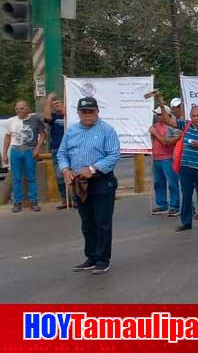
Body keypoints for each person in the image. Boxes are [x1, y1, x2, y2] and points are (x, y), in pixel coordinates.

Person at [58, 97, 120, 275]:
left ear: (97, 111)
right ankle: (91, 256)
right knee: (87, 223)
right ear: (78, 112)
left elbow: (114, 155)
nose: (87, 115)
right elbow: (62, 154)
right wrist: (65, 169)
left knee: (102, 222)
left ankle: (102, 259)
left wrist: (93, 168)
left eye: (91, 111)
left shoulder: (107, 131)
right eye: (84, 111)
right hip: (79, 183)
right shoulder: (71, 131)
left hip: (101, 180)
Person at [162, 102, 198, 233]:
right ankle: (186, 222)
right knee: (186, 196)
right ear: (190, 116)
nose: (196, 118)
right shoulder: (186, 125)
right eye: (193, 116)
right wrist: (161, 104)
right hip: (185, 167)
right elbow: (167, 121)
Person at [3, 100, 46, 212]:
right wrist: (4, 154)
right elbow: (7, 137)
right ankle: (17, 202)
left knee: (31, 177)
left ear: (27, 109)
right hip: (15, 151)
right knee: (16, 178)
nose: (19, 111)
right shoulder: (11, 121)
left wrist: (37, 148)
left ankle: (34, 202)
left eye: (22, 108)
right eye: (17, 109)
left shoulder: (35, 119)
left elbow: (42, 134)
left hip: (29, 150)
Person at [149, 105, 180, 217]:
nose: (157, 116)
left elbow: (166, 142)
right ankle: (162, 204)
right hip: (156, 158)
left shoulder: (172, 127)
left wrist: (155, 133)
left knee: (172, 183)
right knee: (158, 183)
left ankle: (175, 206)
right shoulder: (155, 126)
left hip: (168, 158)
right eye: (156, 114)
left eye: (159, 114)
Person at [43, 92, 68, 210]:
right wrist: (49, 100)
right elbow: (47, 116)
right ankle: (64, 199)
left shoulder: (70, 115)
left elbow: (67, 112)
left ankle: (76, 199)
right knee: (60, 175)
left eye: (59, 103)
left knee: (74, 174)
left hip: (71, 148)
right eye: (55, 104)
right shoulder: (53, 117)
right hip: (57, 149)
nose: (57, 105)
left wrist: (64, 108)